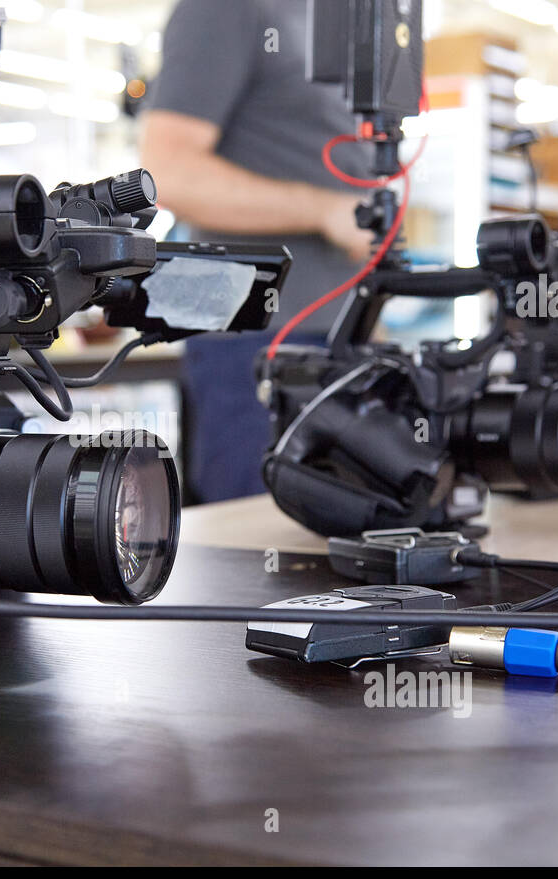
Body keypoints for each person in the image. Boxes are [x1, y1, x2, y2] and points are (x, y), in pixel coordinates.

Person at [140, 0, 372, 503]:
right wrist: (323, 210)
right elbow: (167, 172)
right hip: (256, 341)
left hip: (335, 336)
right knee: (253, 545)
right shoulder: (226, 9)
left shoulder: (328, 23)